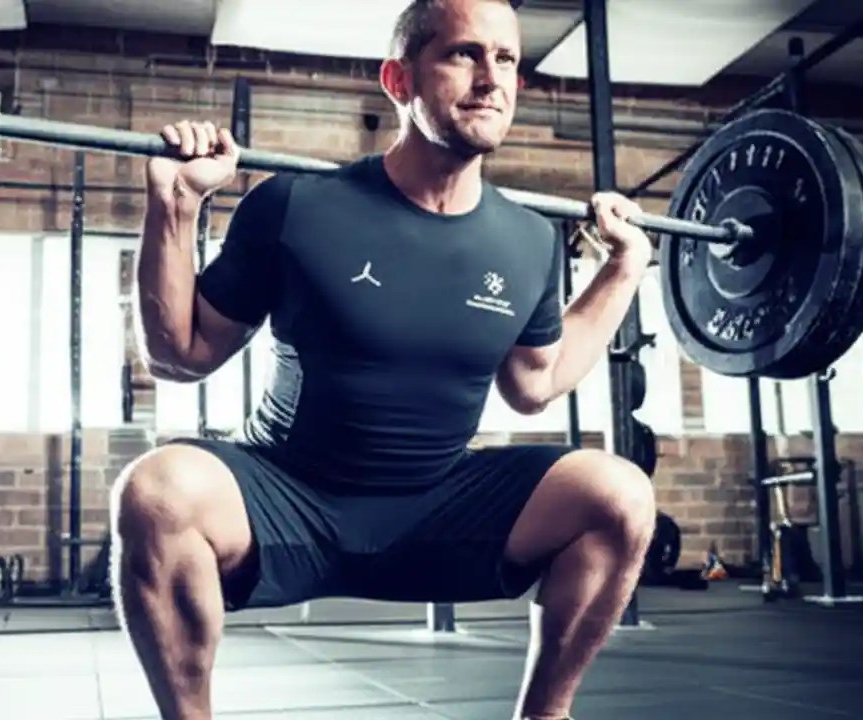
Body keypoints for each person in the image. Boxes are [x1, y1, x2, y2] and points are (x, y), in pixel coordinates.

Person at [114, 1, 656, 718]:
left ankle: (545, 715)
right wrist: (175, 206)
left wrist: (623, 270)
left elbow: (536, 383)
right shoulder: (296, 205)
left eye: (506, 60)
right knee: (156, 490)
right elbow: (179, 356)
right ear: (399, 79)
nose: (491, 79)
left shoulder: (530, 240)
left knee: (618, 494)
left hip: (436, 506)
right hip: (286, 499)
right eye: (464, 54)